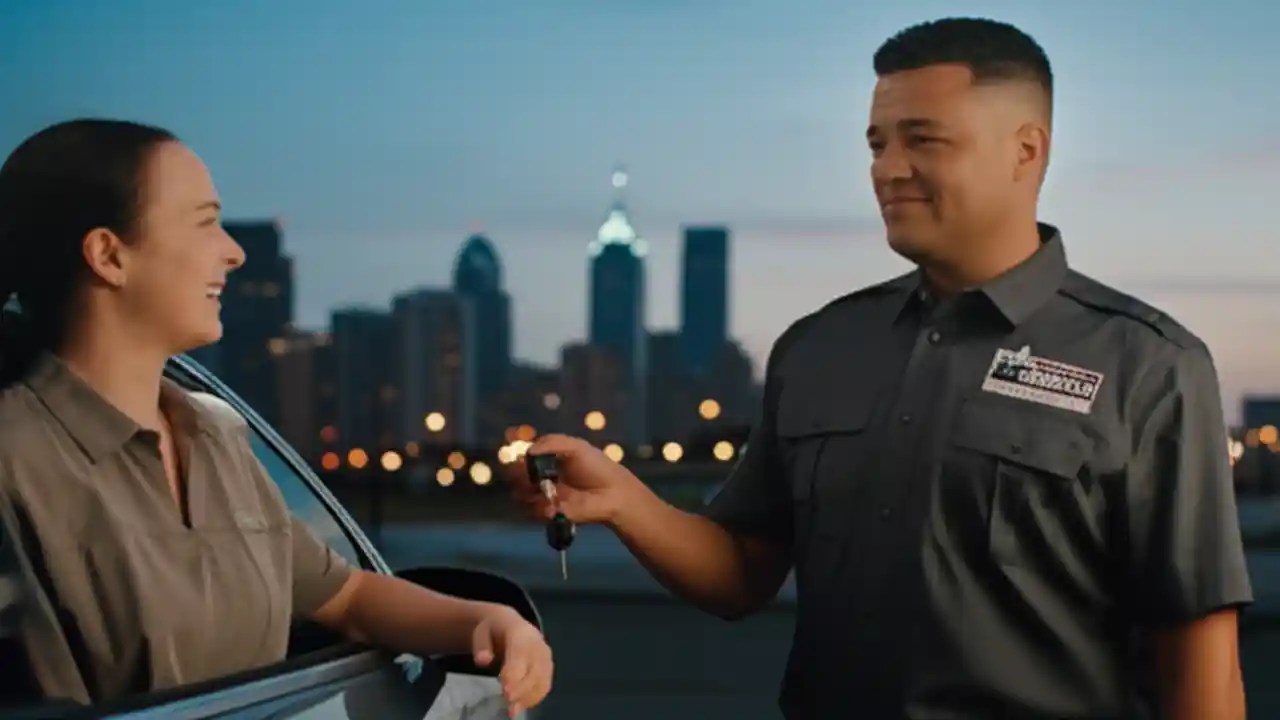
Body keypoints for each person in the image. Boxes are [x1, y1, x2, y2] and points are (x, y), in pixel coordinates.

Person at [512, 17, 1252, 720]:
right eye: (876, 144)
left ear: (1028, 151)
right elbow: (740, 572)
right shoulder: (819, 349)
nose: (888, 171)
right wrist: (620, 501)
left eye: (922, 140)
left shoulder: (1147, 366)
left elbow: (1203, 667)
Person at [0, 118, 552, 717]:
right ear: (109, 255)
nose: (232, 252)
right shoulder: (16, 460)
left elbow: (344, 595)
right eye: (206, 222)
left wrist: (488, 620)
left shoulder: (215, 434)